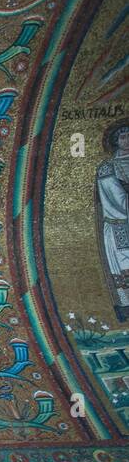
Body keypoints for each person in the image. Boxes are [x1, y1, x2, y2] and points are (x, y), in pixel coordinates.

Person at [96, 122, 129, 319]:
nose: (128, 140)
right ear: (116, 141)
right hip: (119, 226)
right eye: (123, 137)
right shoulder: (107, 168)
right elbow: (118, 201)